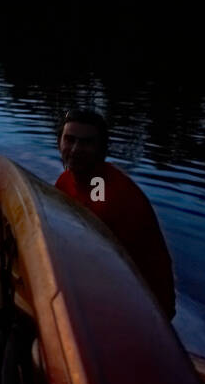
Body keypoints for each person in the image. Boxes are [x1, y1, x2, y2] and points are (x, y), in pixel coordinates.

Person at [54, 108, 176, 318]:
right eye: (69, 139)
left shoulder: (117, 199)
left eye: (86, 142)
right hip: (101, 288)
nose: (74, 150)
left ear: (102, 149)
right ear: (59, 142)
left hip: (142, 313)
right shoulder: (65, 181)